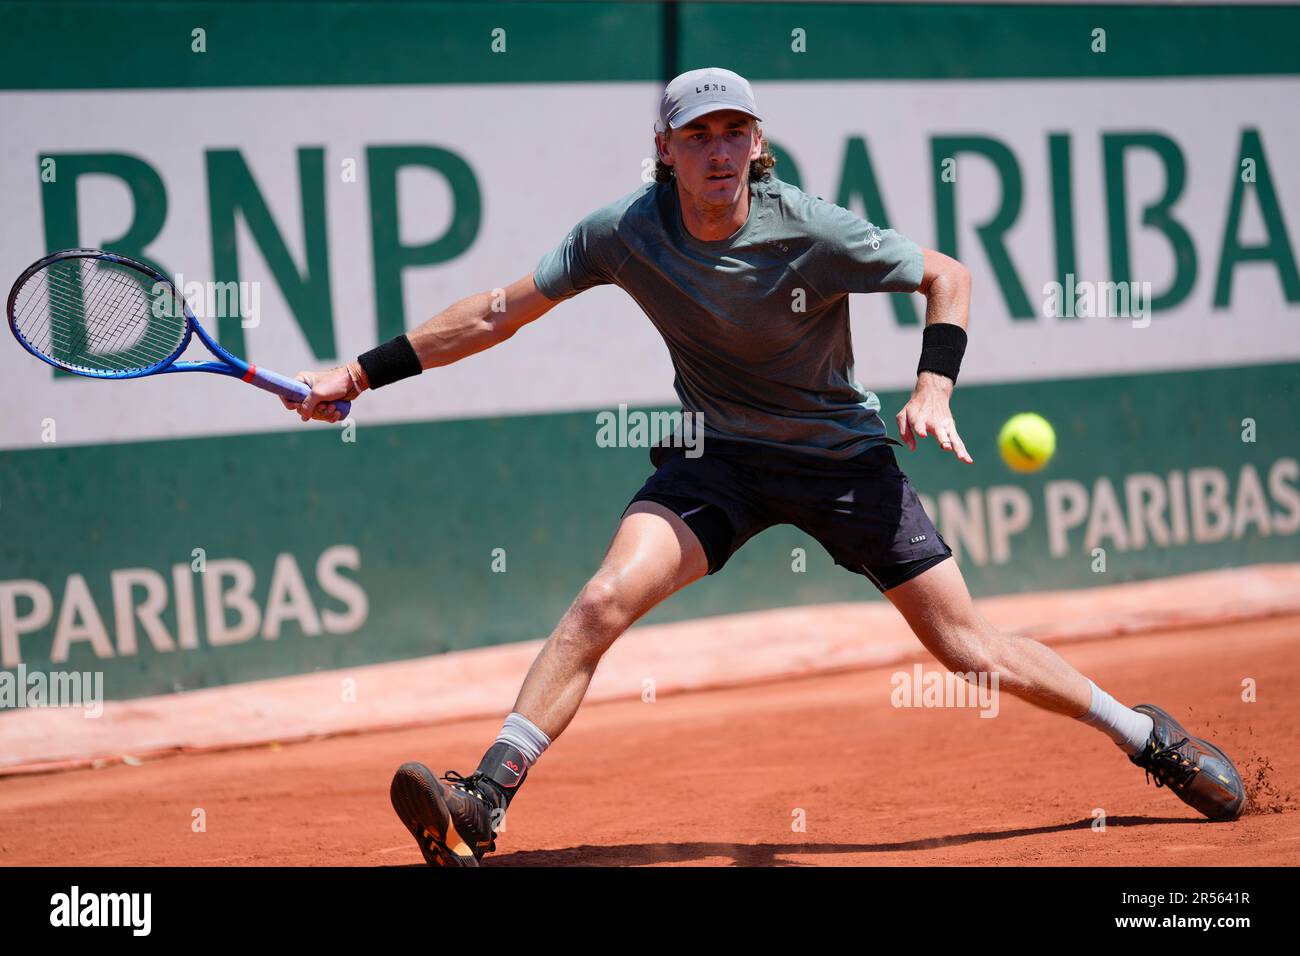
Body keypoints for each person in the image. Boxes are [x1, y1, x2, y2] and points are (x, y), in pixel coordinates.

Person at [284, 67, 1247, 866]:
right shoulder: (622, 231)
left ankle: (1144, 735)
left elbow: (947, 273)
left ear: (758, 143)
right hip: (720, 460)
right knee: (599, 603)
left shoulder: (812, 229)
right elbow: (498, 311)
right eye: (696, 133)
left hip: (843, 463)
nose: (717, 150)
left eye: (734, 131)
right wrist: (359, 376)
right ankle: (485, 795)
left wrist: (933, 386)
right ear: (665, 148)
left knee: (966, 650)